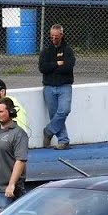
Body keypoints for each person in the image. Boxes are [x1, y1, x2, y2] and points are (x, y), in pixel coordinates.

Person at [38, 23, 76, 151]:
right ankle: (63, 140)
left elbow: (68, 67)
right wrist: (57, 64)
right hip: (49, 86)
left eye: (56, 36)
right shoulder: (45, 51)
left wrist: (52, 67)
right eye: (52, 36)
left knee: (64, 110)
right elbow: (43, 68)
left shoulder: (68, 51)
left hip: (65, 85)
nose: (54, 38)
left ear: (62, 35)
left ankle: (49, 131)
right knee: (54, 115)